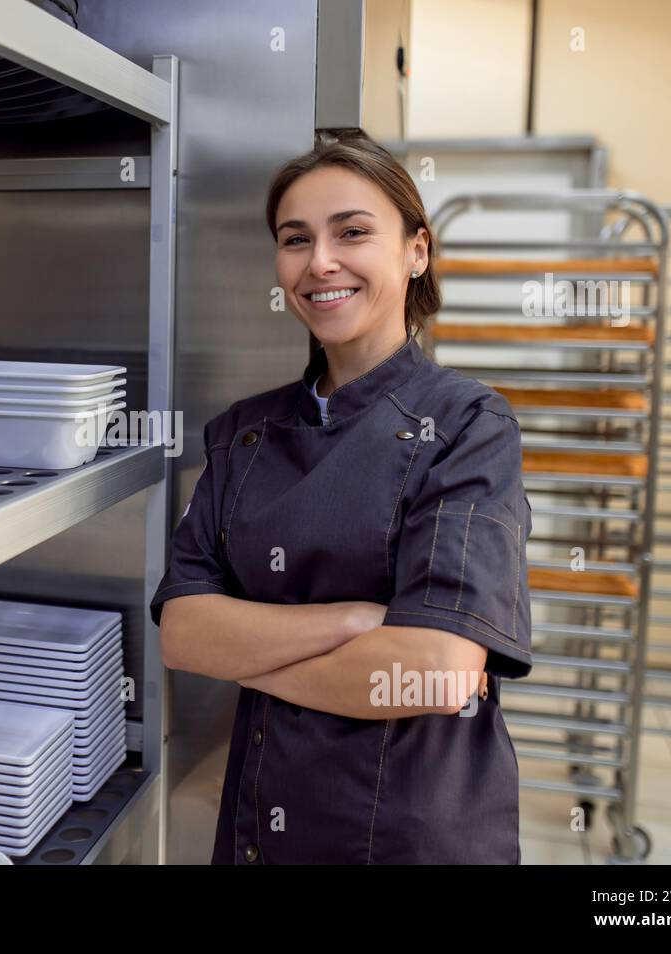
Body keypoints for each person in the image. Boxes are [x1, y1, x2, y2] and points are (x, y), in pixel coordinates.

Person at [150, 131, 533, 864]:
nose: (320, 260)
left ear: (416, 251)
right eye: (296, 239)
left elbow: (436, 670)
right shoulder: (243, 433)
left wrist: (250, 651)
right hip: (263, 827)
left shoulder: (469, 426)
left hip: (409, 833)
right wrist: (354, 621)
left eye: (352, 232)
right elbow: (184, 634)